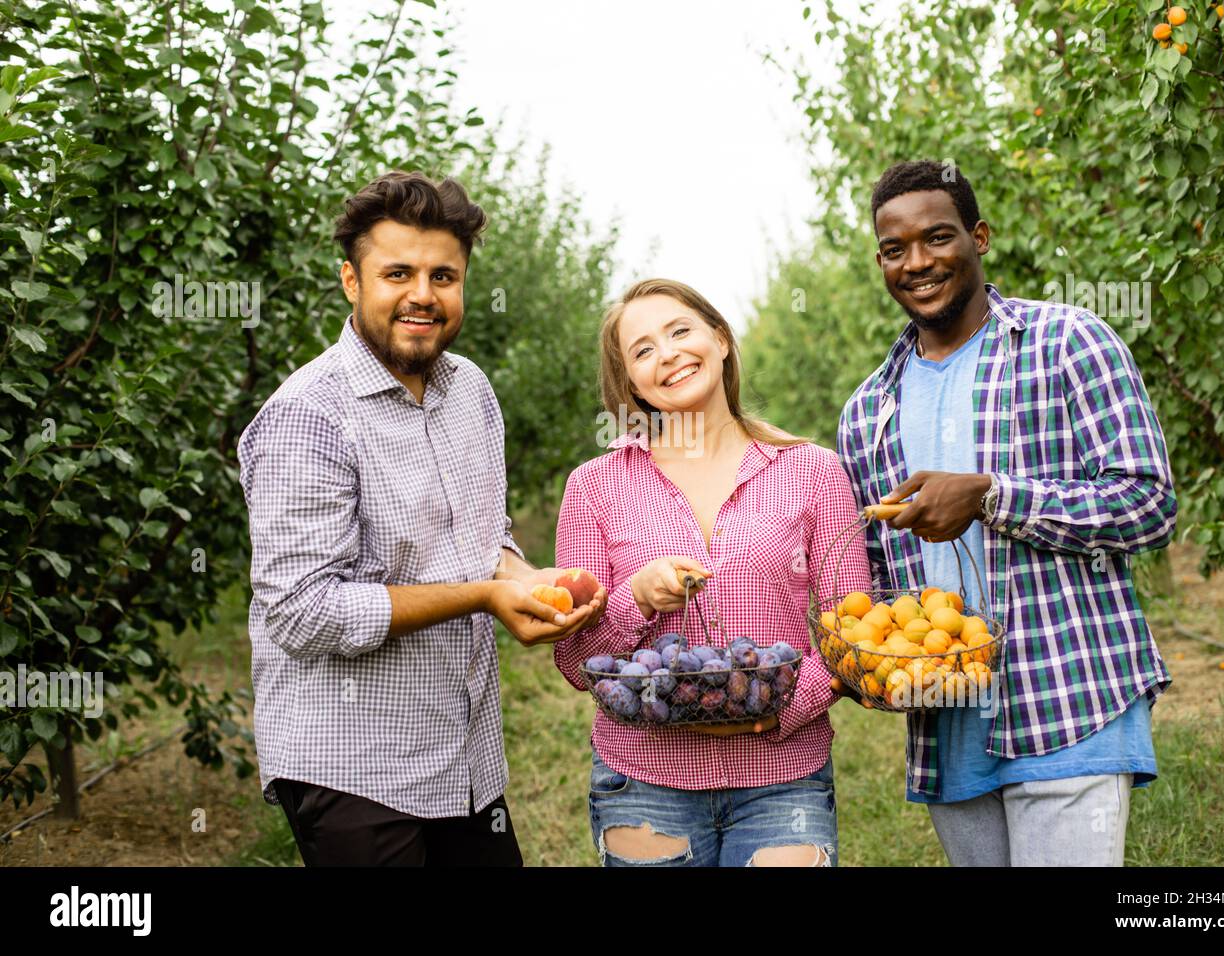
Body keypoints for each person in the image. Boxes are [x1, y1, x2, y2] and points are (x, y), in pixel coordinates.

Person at [237, 170, 604, 866]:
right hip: (351, 763)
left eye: (444, 275)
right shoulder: (307, 416)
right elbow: (301, 612)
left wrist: (525, 578)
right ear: (352, 281)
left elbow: (480, 536)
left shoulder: (471, 391)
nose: (422, 295)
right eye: (397, 273)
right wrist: (486, 597)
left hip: (461, 756)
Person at [835, 159, 1175, 866]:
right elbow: (877, 577)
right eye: (896, 250)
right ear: (880, 261)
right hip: (949, 719)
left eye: (938, 238)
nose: (918, 263)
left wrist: (992, 497)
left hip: (1070, 694)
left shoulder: (1069, 344)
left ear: (979, 237)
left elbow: (1148, 505)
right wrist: (861, 663)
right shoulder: (869, 410)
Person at [553, 278, 871, 867]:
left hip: (784, 773)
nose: (668, 354)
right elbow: (576, 661)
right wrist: (636, 598)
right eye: (643, 350)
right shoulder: (594, 487)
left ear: (720, 339)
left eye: (680, 331)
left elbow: (850, 630)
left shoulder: (813, 471)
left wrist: (771, 718)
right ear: (629, 381)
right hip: (646, 775)